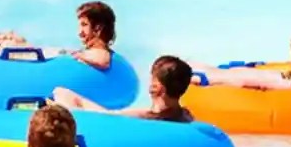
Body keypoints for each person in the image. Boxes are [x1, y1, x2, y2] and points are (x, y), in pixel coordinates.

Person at [189, 32, 291, 104]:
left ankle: (196, 76)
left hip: (279, 82)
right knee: (234, 74)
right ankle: (196, 71)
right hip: (280, 78)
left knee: (236, 77)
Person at [52, 55, 194, 123]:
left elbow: (108, 117)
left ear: (156, 88)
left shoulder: (143, 117)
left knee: (61, 93)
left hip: (108, 121)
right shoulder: (186, 117)